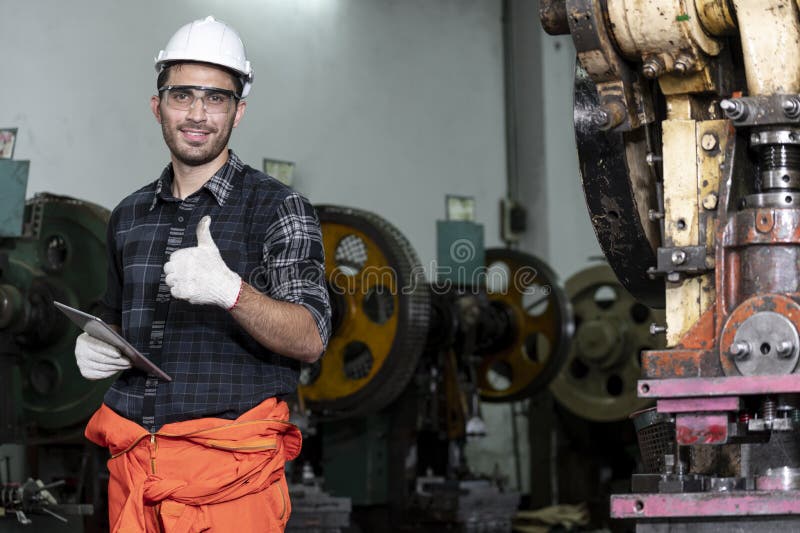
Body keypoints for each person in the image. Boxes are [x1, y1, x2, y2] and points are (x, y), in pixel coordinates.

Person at [73, 16, 331, 533]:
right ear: (157, 106)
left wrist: (231, 291)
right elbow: (114, 313)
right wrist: (98, 342)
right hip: (133, 475)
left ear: (239, 112)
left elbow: (310, 336)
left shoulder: (279, 207)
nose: (197, 113)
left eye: (216, 98)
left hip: (229, 483)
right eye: (182, 95)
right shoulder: (129, 214)